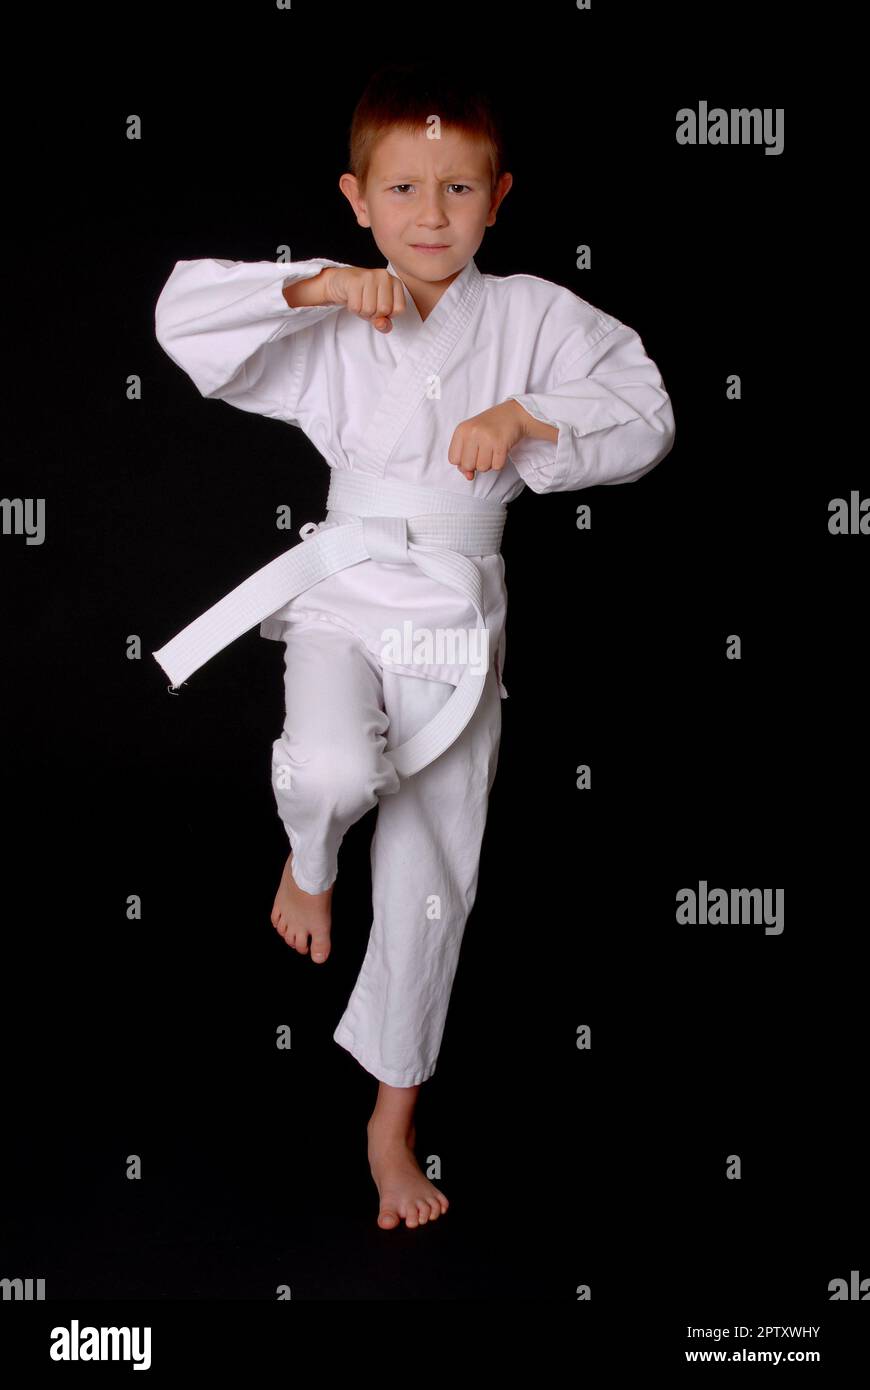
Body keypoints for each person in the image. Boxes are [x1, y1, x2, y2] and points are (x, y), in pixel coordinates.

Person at [152, 62, 676, 1231]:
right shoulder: (344, 305)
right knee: (333, 773)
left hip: (458, 614)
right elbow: (180, 318)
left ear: (499, 199)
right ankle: (309, 858)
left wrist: (528, 415)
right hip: (347, 590)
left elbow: (647, 410)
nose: (429, 217)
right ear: (356, 197)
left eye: (456, 189)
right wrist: (312, 290)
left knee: (434, 880)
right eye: (402, 190)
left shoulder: (536, 315)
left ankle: (392, 1119)